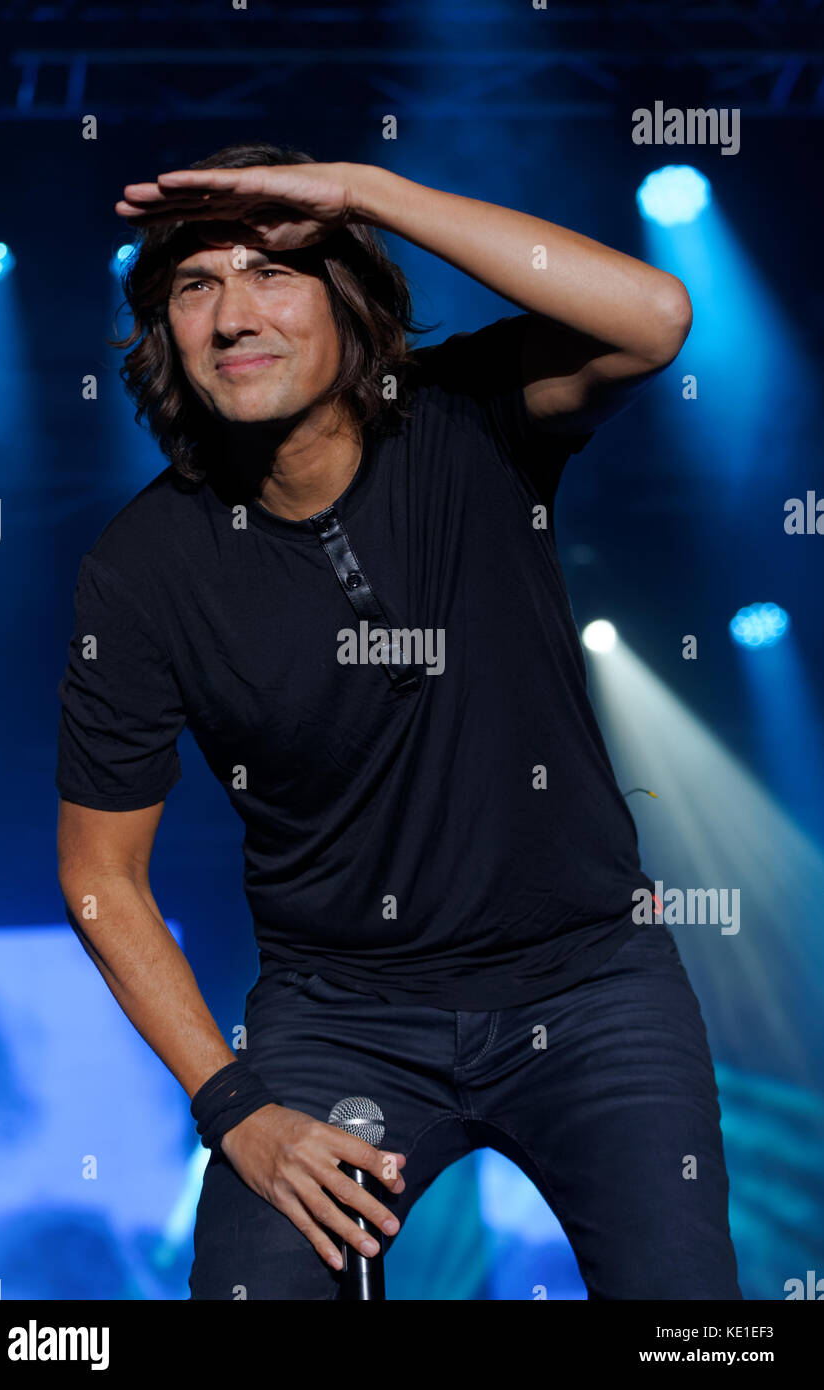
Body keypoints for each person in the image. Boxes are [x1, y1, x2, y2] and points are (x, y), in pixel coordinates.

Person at [55, 141, 742, 1300]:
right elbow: (99, 878)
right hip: (339, 1022)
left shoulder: (468, 418)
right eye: (195, 285)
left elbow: (656, 314)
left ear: (346, 299)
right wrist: (235, 1109)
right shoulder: (140, 569)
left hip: (588, 989)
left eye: (274, 268)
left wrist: (361, 192)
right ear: (164, 332)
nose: (234, 313)